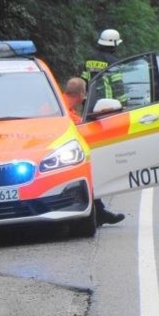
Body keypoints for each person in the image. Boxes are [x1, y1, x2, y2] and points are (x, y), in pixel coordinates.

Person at [62, 77, 125, 225]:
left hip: (62, 153)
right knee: (88, 174)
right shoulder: (67, 113)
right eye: (84, 93)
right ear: (81, 94)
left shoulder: (58, 103)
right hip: (64, 156)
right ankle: (99, 213)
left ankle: (100, 212)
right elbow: (80, 127)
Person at [81, 29, 122, 98]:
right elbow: (117, 86)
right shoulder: (113, 62)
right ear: (114, 45)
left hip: (90, 100)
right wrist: (123, 102)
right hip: (107, 102)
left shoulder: (90, 58)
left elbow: (84, 80)